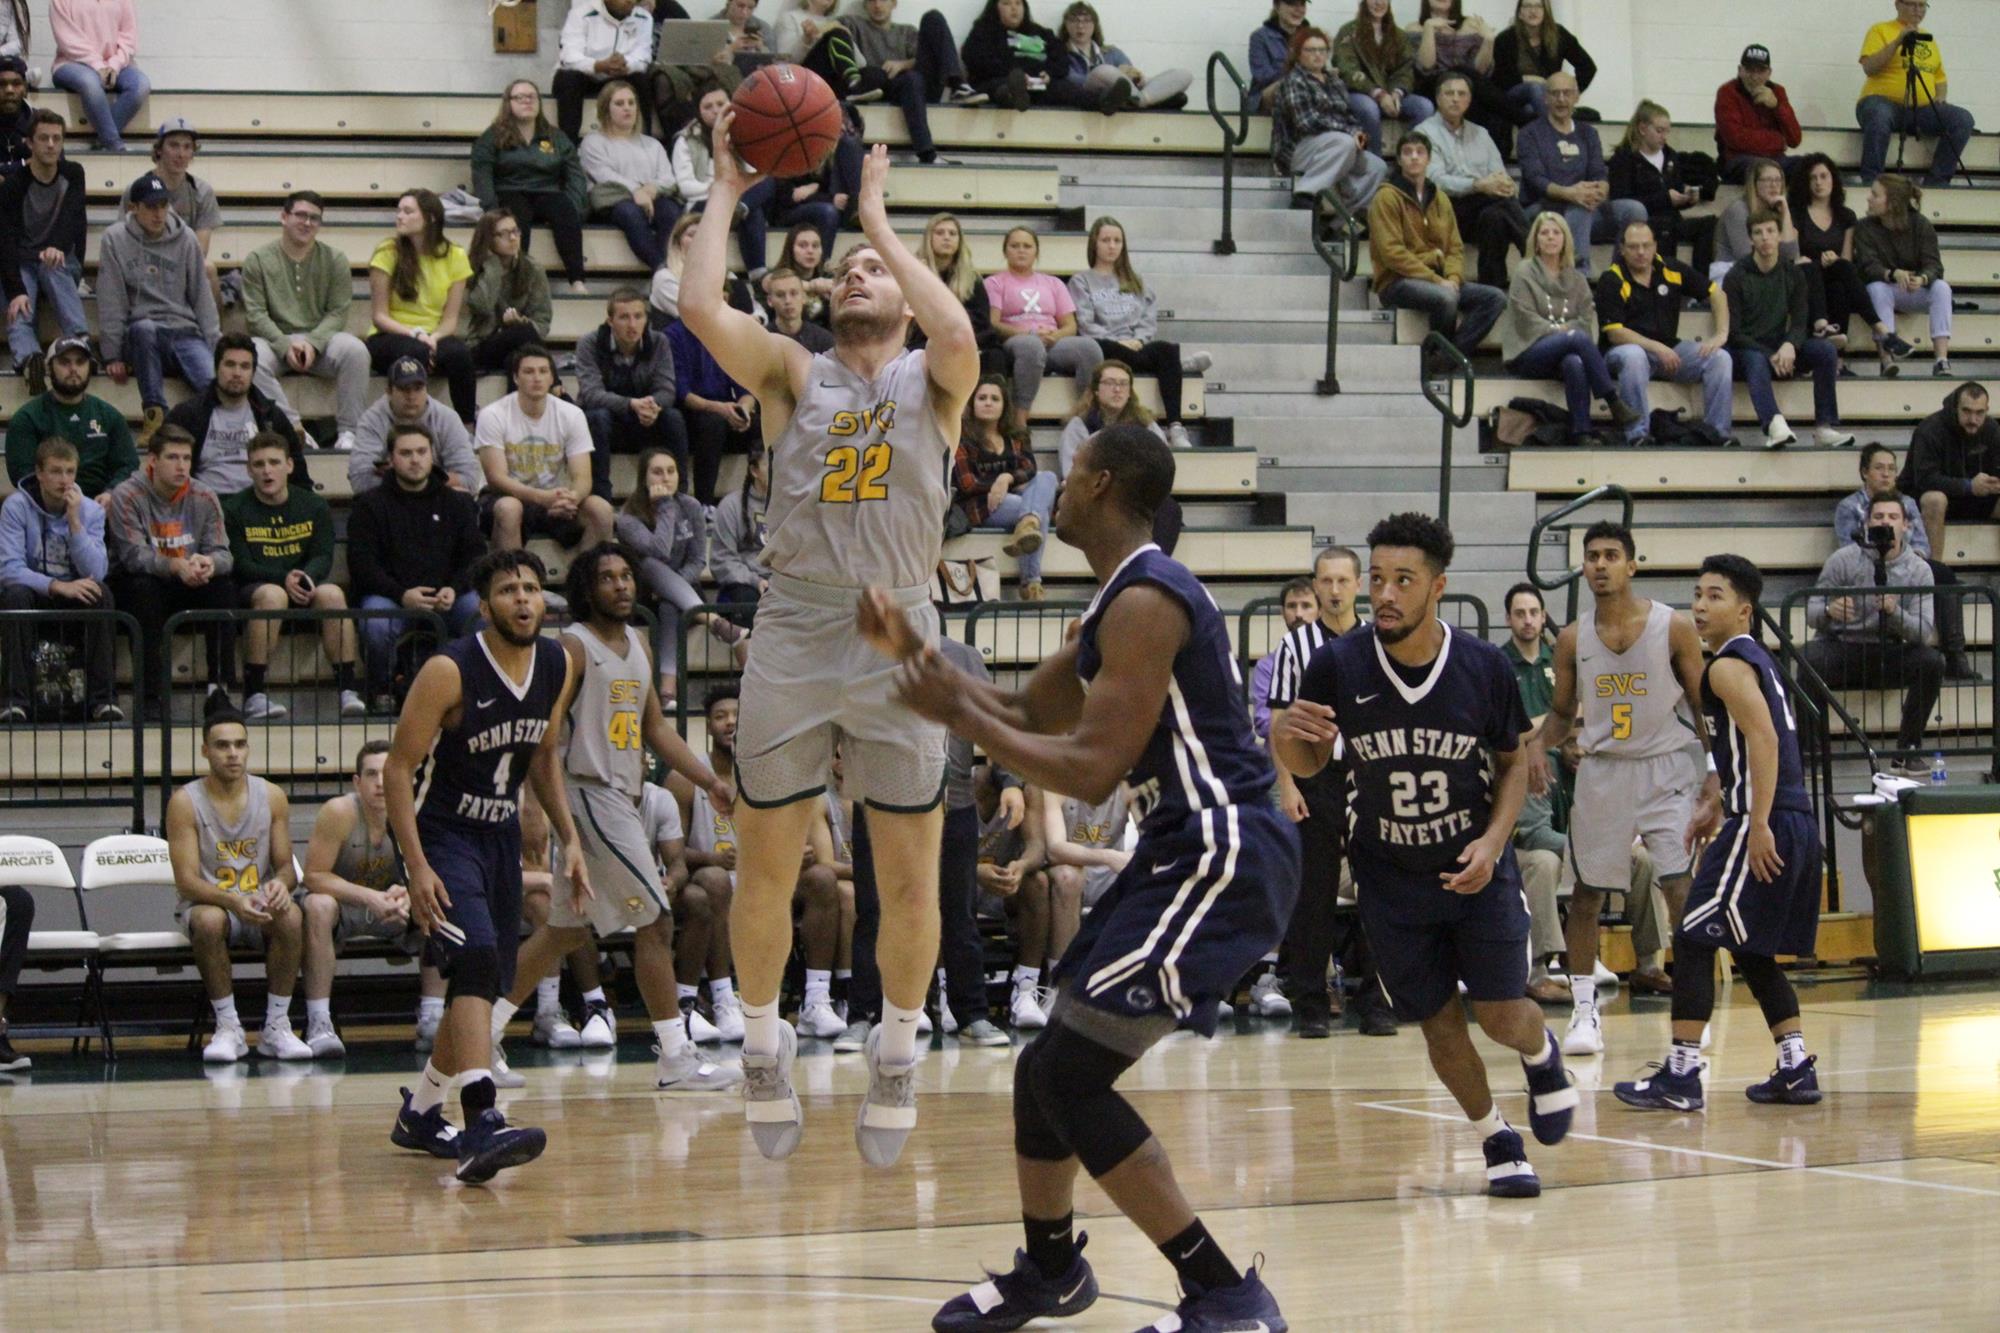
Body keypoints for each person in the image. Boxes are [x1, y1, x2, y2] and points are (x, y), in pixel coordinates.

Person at [888, 425, 1297, 1331]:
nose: (1053, 489)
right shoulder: (1116, 602)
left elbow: (1089, 769)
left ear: (1103, 482)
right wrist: (926, 671)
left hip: (1221, 849)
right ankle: (1051, 1270)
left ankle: (1228, 1293)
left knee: (1072, 1076)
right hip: (1181, 847)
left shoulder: (1150, 600)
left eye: (1066, 475)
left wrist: (959, 711)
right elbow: (1029, 708)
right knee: (1044, 1069)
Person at [680, 126, 980, 1166]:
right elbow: (697, 308)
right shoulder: (791, 373)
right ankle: (763, 1044)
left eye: (872, 272)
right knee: (766, 866)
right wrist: (724, 188)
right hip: (799, 622)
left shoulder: (935, 378)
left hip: (897, 622)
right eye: (846, 270)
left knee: (907, 874)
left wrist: (877, 223)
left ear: (900, 291)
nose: (856, 276)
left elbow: (950, 326)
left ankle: (895, 1046)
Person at [1277, 511, 1577, 1198]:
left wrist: (1495, 840)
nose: (1384, 593)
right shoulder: (1337, 663)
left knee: (1502, 1013)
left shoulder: (1481, 667)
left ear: (1437, 587)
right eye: (1376, 578)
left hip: (1475, 868)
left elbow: (1512, 763)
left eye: (1401, 580)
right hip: (1389, 876)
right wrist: (1287, 737)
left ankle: (1540, 1051)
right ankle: (1496, 1137)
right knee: (1438, 1023)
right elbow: (1306, 755)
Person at [485, 544, 744, 1091]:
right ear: (587, 588)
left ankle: (480, 1036)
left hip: (623, 795)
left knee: (562, 933)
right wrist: (540, 810)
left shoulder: (638, 645)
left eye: (628, 576)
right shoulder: (572, 648)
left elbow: (656, 729)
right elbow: (544, 737)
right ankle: (675, 1055)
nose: (623, 586)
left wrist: (709, 781)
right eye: (608, 578)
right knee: (655, 919)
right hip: (588, 793)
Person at [384, 549, 586, 1184]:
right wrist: (415, 866)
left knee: (484, 984)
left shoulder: (559, 662)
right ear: (484, 605)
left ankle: (420, 1113)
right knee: (471, 959)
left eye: (531, 588)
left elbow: (546, 754)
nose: (523, 599)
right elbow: (396, 769)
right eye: (508, 590)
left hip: (498, 835)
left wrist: (568, 836)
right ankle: (481, 1119)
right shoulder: (450, 670)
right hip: (442, 835)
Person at [1615, 554, 1826, 1112]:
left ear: (1744, 609)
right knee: (1751, 947)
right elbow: (1749, 743)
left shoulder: (1728, 666)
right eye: (1697, 594)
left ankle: (1682, 1075)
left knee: (1691, 937)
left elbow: (1764, 740)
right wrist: (1721, 801)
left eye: (1715, 596)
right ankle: (1795, 1064)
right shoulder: (1756, 662)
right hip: (1790, 816)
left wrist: (1754, 821)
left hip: (1771, 818)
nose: (1701, 605)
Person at [1525, 522, 1716, 1058]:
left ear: (1632, 565)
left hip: (1667, 767)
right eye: (1591, 556)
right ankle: (1585, 1012)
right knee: (1587, 892)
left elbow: (1703, 705)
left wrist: (1716, 770)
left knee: (1678, 884)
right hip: (1605, 770)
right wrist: (1540, 745)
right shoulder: (1571, 637)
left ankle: (1693, 1007)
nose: (1600, 564)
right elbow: (1563, 713)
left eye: (1611, 555)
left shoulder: (1672, 626)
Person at [1265, 543, 1397, 1039]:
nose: (1335, 590)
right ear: (1314, 585)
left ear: (1359, 584)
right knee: (1313, 892)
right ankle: (1311, 1002)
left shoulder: (1380, 641)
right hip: (1314, 777)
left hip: (1371, 776)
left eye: (1344, 581)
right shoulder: (1294, 646)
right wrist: (1286, 784)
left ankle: (1378, 999)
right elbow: (1278, 722)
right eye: (1326, 581)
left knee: (1378, 887)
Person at [164, 710, 310, 1067]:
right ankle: (228, 1027)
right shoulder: (185, 802)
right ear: (205, 751)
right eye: (223, 745)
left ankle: (276, 1026)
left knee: (291, 915)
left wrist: (279, 884)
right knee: (211, 921)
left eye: (240, 745)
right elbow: (186, 881)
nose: (233, 753)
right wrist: (233, 900)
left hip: (258, 903)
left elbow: (285, 866)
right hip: (210, 902)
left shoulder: (272, 795)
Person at [301, 741, 446, 1056]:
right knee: (317, 905)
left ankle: (433, 1015)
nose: (380, 783)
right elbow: (314, 876)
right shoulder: (339, 812)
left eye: (386, 774)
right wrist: (369, 897)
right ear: (357, 782)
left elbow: (433, 871)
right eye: (371, 774)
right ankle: (319, 1021)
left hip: (397, 910)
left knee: (440, 898)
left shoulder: (419, 812)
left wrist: (408, 895)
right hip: (345, 909)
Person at [347, 422, 488, 713]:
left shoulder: (458, 503)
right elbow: (362, 565)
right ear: (391, 460)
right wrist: (402, 594)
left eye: (421, 452)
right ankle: (382, 691)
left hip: (450, 595)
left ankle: (476, 691)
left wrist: (455, 588)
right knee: (376, 624)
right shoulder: (369, 505)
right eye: (406, 453)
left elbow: (475, 556)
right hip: (392, 596)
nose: (415, 459)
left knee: (479, 613)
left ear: (433, 455)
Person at [221, 433, 361, 721]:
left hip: (303, 585)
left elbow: (323, 555)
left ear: (289, 466)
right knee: (273, 595)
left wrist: (306, 578)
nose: (267, 470)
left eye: (274, 462)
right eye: (258, 464)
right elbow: (241, 563)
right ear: (249, 470)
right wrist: (284, 578)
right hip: (257, 588)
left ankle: (348, 689)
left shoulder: (313, 506)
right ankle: (254, 694)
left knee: (332, 594)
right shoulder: (234, 509)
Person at [103, 426, 237, 720]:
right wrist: (176, 565)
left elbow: (224, 552)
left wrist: (209, 564)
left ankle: (219, 691)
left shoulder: (204, 495)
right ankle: (151, 695)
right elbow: (133, 556)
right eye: (173, 457)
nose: (181, 466)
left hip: (189, 577)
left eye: (187, 458)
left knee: (223, 587)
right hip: (142, 582)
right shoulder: (128, 495)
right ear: (152, 460)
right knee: (142, 588)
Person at [1805, 493, 1941, 772]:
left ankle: (1908, 750)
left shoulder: (1919, 569)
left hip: (1891, 648)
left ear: (1906, 526)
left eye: (1893, 517)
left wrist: (1895, 613)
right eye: (1878, 517)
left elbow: (1923, 631)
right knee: (1808, 659)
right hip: (1845, 646)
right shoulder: (1842, 560)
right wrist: (1830, 611)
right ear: (1866, 523)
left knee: (1932, 661)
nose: (1885, 523)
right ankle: (1811, 750)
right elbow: (1811, 612)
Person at [0, 437, 120, 724]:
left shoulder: (90, 510)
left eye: (70, 472)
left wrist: (75, 522)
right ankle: (15, 702)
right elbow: (8, 568)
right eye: (55, 471)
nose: (64, 480)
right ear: (39, 473)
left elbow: (97, 570)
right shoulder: (16, 507)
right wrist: (57, 585)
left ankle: (103, 701)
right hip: (34, 591)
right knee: (14, 596)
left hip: (75, 592)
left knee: (101, 593)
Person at [242, 191, 369, 453]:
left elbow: (337, 312)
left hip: (321, 339)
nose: (307, 223)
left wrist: (312, 343)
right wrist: (283, 345)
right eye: (300, 215)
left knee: (356, 351)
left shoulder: (335, 260)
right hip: (274, 340)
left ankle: (349, 432)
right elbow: (255, 315)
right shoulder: (258, 259)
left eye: (315, 218)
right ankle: (292, 429)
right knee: (249, 357)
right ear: (283, 217)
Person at [1067, 216, 1210, 448]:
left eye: (1117, 240)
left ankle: (1175, 427)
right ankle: (1177, 367)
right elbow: (1085, 323)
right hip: (1108, 346)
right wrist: (1120, 342)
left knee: (1166, 348)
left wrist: (1138, 339)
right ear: (1094, 243)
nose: (1112, 246)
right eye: (1106, 240)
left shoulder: (1135, 281)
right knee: (1101, 346)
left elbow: (1147, 319)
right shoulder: (1081, 281)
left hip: (1136, 346)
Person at [1501, 211, 1640, 443]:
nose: (1550, 237)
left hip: (1563, 351)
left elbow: (1585, 319)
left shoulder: (1577, 278)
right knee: (1575, 338)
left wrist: (1565, 331)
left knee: (1574, 362)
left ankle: (1581, 432)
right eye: (1544, 233)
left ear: (1565, 239)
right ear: (1535, 240)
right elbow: (1525, 318)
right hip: (1528, 351)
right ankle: (1612, 400)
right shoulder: (1524, 271)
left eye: (1556, 233)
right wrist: (1560, 330)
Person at [99, 172, 219, 439]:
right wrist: (112, 354)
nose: (158, 213)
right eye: (151, 207)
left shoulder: (186, 238)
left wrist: (215, 347)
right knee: (143, 328)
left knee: (215, 387)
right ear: (134, 208)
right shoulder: (114, 238)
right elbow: (111, 297)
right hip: (142, 336)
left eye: (163, 205)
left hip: (184, 330)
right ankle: (155, 416)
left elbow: (201, 295)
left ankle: (215, 433)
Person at [1723, 208, 1855, 450]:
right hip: (1745, 352)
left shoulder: (1792, 273)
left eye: (1770, 231)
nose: (1765, 237)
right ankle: (1774, 425)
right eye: (1758, 233)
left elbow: (1800, 319)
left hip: (1780, 349)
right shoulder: (1735, 276)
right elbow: (1734, 332)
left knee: (1825, 350)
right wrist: (1772, 354)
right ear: (1751, 238)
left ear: (1779, 236)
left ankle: (1824, 427)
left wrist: (1789, 345)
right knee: (1754, 359)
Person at [1369, 131, 1507, 359]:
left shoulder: (1441, 198)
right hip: (1397, 281)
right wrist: (1436, 279)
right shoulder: (1386, 197)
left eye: (1420, 152)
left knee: (1495, 298)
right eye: (1407, 152)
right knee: (1446, 297)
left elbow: (1455, 247)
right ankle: (1442, 356)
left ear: (1429, 159)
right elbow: (1391, 253)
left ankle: (1445, 357)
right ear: (1399, 160)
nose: (1414, 157)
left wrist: (1452, 277)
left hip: (1441, 278)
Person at [1599, 220, 1735, 446]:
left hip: (1668, 350)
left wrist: (1722, 334)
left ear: (1655, 246)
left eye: (1646, 245)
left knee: (1720, 358)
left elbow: (1717, 294)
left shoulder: (1672, 269)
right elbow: (1615, 333)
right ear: (1622, 249)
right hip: (1621, 352)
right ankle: (1637, 434)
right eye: (1633, 247)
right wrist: (1657, 347)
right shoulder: (1611, 279)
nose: (1641, 252)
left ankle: (1717, 433)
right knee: (1633, 356)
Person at [616, 449, 734, 703]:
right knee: (649, 563)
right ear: (643, 477)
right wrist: (665, 506)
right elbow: (659, 551)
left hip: (684, 589)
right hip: (645, 593)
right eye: (657, 472)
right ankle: (714, 621)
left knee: (670, 604)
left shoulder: (691, 506)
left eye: (671, 471)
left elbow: (698, 560)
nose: (665, 478)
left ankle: (667, 691)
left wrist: (673, 584)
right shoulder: (628, 517)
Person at [1846, 439, 1970, 679]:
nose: (1886, 474)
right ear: (1864, 472)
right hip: (1868, 562)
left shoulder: (1909, 503)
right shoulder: (1849, 507)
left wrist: (1906, 562)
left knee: (1943, 573)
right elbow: (1848, 547)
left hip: (1908, 563)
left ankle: (1955, 653)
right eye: (1879, 468)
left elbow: (1922, 545)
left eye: (1892, 469)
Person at [666, 686, 749, 1044]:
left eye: (737, 715)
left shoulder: (761, 776)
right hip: (701, 877)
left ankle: (820, 997)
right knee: (716, 882)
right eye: (720, 716)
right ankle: (722, 996)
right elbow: (672, 852)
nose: (730, 722)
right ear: (708, 727)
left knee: (821, 880)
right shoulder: (685, 779)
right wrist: (712, 858)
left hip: (754, 879)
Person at [802, 0, 980, 165]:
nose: (877, 5)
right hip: (874, 86)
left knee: (932, 20)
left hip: (912, 88)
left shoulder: (907, 31)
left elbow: (926, 59)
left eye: (883, 0)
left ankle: (959, 85)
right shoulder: (855, 24)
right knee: (881, 74)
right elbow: (833, 30)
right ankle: (928, 154)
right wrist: (813, 33)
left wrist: (904, 64)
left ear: (894, 3)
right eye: (872, 0)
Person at [476, 344, 613, 554]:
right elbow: (496, 478)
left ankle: (585, 582)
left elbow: (583, 477)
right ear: (515, 378)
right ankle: (512, 581)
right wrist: (541, 498)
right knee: (510, 508)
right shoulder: (493, 414)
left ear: (552, 378)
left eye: (543, 371)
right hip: (505, 496)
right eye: (528, 372)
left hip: (554, 498)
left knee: (601, 510)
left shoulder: (572, 414)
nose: (537, 378)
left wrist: (572, 499)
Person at [366, 189, 479, 426]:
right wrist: (415, 334)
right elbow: (379, 316)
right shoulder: (387, 251)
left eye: (408, 211)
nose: (400, 217)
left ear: (430, 218)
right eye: (399, 211)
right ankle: (410, 424)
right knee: (415, 353)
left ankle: (467, 426)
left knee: (460, 355)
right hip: (390, 334)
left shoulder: (455, 255)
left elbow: (450, 320)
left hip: (433, 335)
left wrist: (433, 337)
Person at [1517, 72, 1642, 276]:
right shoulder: (1530, 133)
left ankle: (1619, 276)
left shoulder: (1588, 133)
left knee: (1634, 210)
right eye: (1555, 94)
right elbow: (1535, 179)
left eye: (1567, 93)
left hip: (1586, 210)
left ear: (1576, 97)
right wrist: (1570, 194)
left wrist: (1602, 188)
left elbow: (1599, 172)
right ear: (1545, 98)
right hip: (1543, 212)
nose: (1561, 99)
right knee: (1580, 207)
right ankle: (1577, 276)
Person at [473, 81, 589, 293]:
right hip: (510, 190)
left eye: (532, 97)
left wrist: (574, 204)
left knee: (566, 212)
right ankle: (518, 281)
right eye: (519, 97)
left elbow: (575, 174)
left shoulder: (556, 136)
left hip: (548, 191)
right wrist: (491, 208)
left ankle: (577, 281)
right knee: (516, 218)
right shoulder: (492, 136)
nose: (527, 101)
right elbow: (482, 174)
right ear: (508, 103)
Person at [985, 226, 1103, 435]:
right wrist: (1028, 335)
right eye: (1015, 246)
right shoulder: (994, 283)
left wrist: (1054, 336)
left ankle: (1086, 416)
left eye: (1027, 246)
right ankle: (1020, 420)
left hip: (1051, 341)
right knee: (1031, 346)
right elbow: (993, 323)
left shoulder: (1054, 283)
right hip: (1017, 341)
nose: (1021, 250)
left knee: (1089, 348)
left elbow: (1070, 325)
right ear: (1005, 251)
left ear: (1036, 252)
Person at [1415, 71, 1526, 290]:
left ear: (1469, 100)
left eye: (1461, 94)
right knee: (1500, 205)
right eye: (1449, 93)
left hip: (1482, 210)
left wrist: (1505, 185)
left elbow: (1499, 173)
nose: (1455, 98)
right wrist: (1477, 185)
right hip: (1445, 211)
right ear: (1438, 99)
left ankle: (1492, 288)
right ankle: (1537, 256)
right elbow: (1434, 181)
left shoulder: (1481, 134)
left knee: (1495, 216)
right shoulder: (1424, 133)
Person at [0, 109, 88, 386]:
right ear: (30, 143)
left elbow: (73, 217)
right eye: (44, 138)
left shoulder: (73, 173)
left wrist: (56, 246)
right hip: (23, 260)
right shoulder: (14, 184)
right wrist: (15, 290)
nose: (51, 144)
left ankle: (81, 342)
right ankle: (29, 360)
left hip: (60, 258)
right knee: (19, 305)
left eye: (57, 139)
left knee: (53, 268)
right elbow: (6, 239)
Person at [969, 766, 1059, 1030]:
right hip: (961, 882)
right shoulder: (956, 788)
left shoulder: (1028, 789)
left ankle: (1026, 989)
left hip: (1003, 885)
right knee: (936, 884)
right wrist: (974, 871)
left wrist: (1020, 866)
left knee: (1038, 882)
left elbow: (1037, 847)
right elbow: (935, 856)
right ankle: (945, 987)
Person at [954, 374, 1057, 600]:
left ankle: (1027, 524)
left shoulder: (1015, 436)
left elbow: (1030, 467)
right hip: (980, 505)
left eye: (994, 398)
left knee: (1047, 477)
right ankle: (1031, 581)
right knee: (1034, 510)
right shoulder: (961, 435)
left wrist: (1006, 478)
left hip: (1012, 497)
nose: (988, 402)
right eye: (982, 398)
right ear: (972, 404)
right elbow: (966, 483)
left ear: (1004, 405)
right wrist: (996, 485)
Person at [579, 286, 690, 493]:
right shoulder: (590, 343)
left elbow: (666, 390)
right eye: (624, 317)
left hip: (646, 418)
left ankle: (681, 493)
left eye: (638, 316)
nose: (632, 325)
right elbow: (591, 394)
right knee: (596, 417)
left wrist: (652, 406)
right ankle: (601, 494)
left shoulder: (659, 341)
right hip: (609, 421)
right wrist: (631, 404)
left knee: (673, 417)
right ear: (610, 321)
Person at [1271, 26, 1390, 218]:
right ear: (1298, 54)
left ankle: (1343, 222)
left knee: (1378, 166)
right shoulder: (1293, 80)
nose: (1317, 55)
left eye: (1322, 50)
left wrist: (1358, 133)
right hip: (1297, 148)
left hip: (1336, 146)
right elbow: (1307, 122)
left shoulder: (1335, 82)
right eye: (1310, 50)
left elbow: (1349, 117)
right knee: (1344, 141)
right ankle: (1305, 194)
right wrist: (1349, 133)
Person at [165, 333, 304, 499]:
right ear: (216, 368)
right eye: (230, 365)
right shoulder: (187, 415)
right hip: (206, 505)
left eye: (245, 366)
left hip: (259, 506)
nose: (237, 373)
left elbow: (299, 473)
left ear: (253, 372)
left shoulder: (271, 416)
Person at [1857, 0, 1975, 188]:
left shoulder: (1928, 38)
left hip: (1921, 110)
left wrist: (1941, 97)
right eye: (1912, 4)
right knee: (1879, 115)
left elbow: (1939, 77)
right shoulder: (1879, 30)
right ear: (1897, 5)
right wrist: (1898, 41)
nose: (1917, 10)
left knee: (1963, 119)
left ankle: (1937, 182)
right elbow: (1870, 68)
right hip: (1883, 103)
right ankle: (1871, 182)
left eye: (1922, 6)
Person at [3, 334, 138, 499]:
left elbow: (128, 465)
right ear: (49, 367)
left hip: (100, 506)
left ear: (90, 367)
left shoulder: (110, 416)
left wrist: (111, 493)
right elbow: (22, 475)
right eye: (65, 362)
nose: (73, 369)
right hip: (46, 508)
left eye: (80, 362)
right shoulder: (27, 417)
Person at [665, 295, 760, 506]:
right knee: (712, 423)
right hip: (691, 412)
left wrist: (743, 409)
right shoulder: (673, 335)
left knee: (764, 424)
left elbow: (746, 387)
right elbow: (681, 392)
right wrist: (720, 409)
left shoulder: (730, 334)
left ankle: (764, 499)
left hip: (726, 409)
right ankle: (704, 504)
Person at [1855, 175, 1952, 378]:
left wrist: (1923, 278)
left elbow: (1934, 265)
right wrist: (1891, 274)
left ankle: (1942, 360)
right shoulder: (1864, 227)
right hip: (1887, 288)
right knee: (1876, 288)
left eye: (1875, 194)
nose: (1868, 198)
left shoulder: (1920, 224)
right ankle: (1886, 359)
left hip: (1914, 289)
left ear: (1892, 203)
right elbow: (1867, 265)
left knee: (1942, 288)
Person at [348, 357, 485, 497]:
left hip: (436, 498)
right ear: (389, 391)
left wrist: (417, 479)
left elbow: (470, 479)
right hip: (391, 500)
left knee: (461, 496)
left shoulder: (447, 418)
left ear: (426, 389)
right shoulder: (372, 420)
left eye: (418, 388)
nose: (411, 396)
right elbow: (360, 480)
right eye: (404, 389)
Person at [581, 80, 680, 269]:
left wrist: (652, 189)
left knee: (671, 211)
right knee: (630, 212)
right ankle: (661, 268)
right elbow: (604, 175)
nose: (627, 108)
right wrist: (636, 190)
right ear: (606, 109)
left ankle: (668, 269)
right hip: (613, 202)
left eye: (631, 102)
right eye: (619, 104)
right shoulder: (593, 142)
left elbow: (668, 178)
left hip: (652, 199)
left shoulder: (652, 144)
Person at [1608, 101, 1714, 274]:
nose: (1664, 136)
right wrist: (1665, 199)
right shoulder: (1624, 159)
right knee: (1664, 228)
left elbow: (1676, 191)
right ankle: (1663, 283)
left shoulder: (1670, 156)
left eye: (1667, 131)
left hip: (1672, 217)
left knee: (1709, 224)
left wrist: (1687, 199)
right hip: (1646, 221)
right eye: (1659, 131)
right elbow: (1622, 200)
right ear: (1642, 129)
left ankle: (1700, 283)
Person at [1900, 380, 2000, 559]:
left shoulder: (1992, 429)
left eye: (1979, 413)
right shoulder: (1930, 430)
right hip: (1928, 500)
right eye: (1966, 411)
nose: (1973, 419)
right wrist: (1969, 486)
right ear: (1955, 407)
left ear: (1987, 410)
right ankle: (1934, 575)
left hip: (1973, 498)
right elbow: (1925, 479)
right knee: (1935, 500)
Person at [960, 0, 1114, 113]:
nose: (1014, 9)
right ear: (995, 8)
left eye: (1018, 4)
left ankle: (1106, 101)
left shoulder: (1041, 32)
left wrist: (1049, 73)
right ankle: (1011, 96)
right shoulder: (983, 30)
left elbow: (1061, 59)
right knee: (1003, 86)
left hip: (1039, 84)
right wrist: (1015, 73)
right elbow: (974, 58)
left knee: (1066, 89)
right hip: (1002, 79)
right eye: (1007, 3)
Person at [463, 210, 554, 386]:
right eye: (503, 234)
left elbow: (542, 322)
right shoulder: (472, 268)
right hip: (480, 346)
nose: (513, 238)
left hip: (518, 344)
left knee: (518, 359)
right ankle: (556, 385)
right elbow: (482, 306)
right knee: (522, 335)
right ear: (488, 239)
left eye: (515, 231)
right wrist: (493, 267)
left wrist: (521, 322)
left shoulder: (533, 269)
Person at [1790, 154, 1873, 349]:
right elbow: (1795, 256)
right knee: (1811, 270)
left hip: (1833, 273)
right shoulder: (1797, 214)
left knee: (1839, 286)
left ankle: (1835, 350)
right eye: (1813, 178)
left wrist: (1835, 259)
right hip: (1805, 276)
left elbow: (1846, 260)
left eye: (1824, 176)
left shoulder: (1846, 215)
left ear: (1833, 179)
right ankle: (1878, 328)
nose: (1819, 182)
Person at [1409, 0, 1509, 155]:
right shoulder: (1415, 28)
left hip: (1468, 87)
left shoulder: (1472, 25)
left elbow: (1481, 72)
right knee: (1459, 72)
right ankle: (1517, 114)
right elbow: (1426, 67)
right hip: (1431, 86)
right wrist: (1428, 29)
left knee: (1483, 105)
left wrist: (1488, 40)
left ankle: (1493, 165)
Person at [1330, 0, 1432, 151]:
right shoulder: (1348, 32)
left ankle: (1408, 161)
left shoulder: (1399, 35)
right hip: (1359, 93)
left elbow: (1405, 70)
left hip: (1392, 95)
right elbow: (1348, 69)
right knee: (1369, 109)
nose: (1378, 2)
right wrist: (1379, 94)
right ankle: (1375, 165)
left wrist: (1397, 93)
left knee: (1425, 107)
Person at [48, 0, 147, 153]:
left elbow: (129, 37)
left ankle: (101, 141)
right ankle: (114, 145)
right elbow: (68, 40)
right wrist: (98, 65)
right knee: (91, 84)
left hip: (118, 64)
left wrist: (114, 64)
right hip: (72, 63)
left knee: (141, 85)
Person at [914, 212, 1007, 375]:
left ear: (959, 240)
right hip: (926, 340)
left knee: (995, 355)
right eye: (940, 233)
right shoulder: (915, 273)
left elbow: (982, 321)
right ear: (929, 238)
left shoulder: (972, 278)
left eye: (952, 233)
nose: (946, 237)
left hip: (967, 340)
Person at [1058, 2, 1190, 112]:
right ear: (1066, 25)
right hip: (1092, 93)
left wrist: (1138, 78)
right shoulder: (1060, 52)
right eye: (1074, 20)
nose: (1080, 26)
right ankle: (1140, 101)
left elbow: (1130, 73)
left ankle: (1138, 101)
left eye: (1086, 21)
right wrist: (1112, 79)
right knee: (1103, 71)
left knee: (1183, 74)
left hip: (1125, 93)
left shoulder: (1112, 51)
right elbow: (1071, 80)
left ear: (1094, 25)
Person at [553, 0, 655, 139]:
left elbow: (643, 56)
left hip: (621, 74)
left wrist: (627, 64)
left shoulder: (644, 17)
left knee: (642, 79)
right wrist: (598, 66)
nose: (631, 1)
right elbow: (569, 56)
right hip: (586, 76)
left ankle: (645, 139)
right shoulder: (581, 14)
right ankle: (568, 145)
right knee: (569, 78)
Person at [1057, 359, 1164, 479]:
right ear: (1096, 390)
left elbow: (1162, 462)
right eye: (1109, 383)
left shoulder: (1144, 423)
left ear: (1129, 392)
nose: (1117, 390)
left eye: (1123, 384)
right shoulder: (1080, 424)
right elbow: (1070, 473)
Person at [1492, 0, 1593, 127]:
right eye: (1528, 6)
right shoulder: (1505, 39)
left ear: (1546, 11)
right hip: (1513, 95)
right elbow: (1498, 79)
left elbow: (1587, 67)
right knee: (1534, 87)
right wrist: (1527, 79)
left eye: (1538, 6)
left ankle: (1543, 140)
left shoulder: (1559, 34)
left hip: (1543, 97)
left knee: (1530, 110)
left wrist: (1572, 92)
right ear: (1519, 12)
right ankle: (1556, 132)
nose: (1533, 11)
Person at [1714, 43, 1802, 182]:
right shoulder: (1727, 92)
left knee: (1812, 165)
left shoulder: (1778, 92)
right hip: (1739, 160)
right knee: (1761, 168)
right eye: (1749, 70)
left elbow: (1795, 139)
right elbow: (1736, 139)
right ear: (1740, 70)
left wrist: (1777, 106)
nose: (1755, 76)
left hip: (1776, 160)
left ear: (1769, 73)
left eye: (1760, 71)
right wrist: (1778, 140)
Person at [1711, 157, 1797, 289]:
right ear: (1754, 183)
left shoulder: (1777, 211)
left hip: (1767, 272)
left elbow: (1791, 254)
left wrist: (1785, 213)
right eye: (1767, 180)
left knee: (1806, 272)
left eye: (1778, 180)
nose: (1774, 185)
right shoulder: (1738, 210)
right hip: (1733, 275)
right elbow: (1746, 257)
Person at [1252, 577, 1319, 743]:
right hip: (1282, 754)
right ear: (1282, 612)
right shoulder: (1266, 666)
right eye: (1291, 606)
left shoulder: (1333, 657)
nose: (1298, 614)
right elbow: (1264, 723)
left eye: (1306, 606)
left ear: (1320, 610)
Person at [709, 440, 770, 618]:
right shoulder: (731, 506)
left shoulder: (791, 505)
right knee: (750, 603)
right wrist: (755, 580)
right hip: (745, 584)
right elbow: (722, 560)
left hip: (782, 582)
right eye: (770, 464)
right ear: (754, 471)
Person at [1248, 0, 1310, 110]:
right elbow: (1263, 77)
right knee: (1287, 85)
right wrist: (1294, 70)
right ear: (1276, 6)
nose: (1299, 9)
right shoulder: (1260, 37)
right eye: (1291, 4)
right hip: (1268, 95)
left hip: (1306, 88)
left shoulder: (1311, 37)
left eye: (1302, 4)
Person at [766, 268, 835, 353]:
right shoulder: (762, 339)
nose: (788, 300)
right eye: (780, 295)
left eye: (794, 293)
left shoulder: (824, 340)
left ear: (804, 297)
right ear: (770, 301)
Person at [0, 54, 31, 178]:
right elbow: (33, 166)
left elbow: (53, 166)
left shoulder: (40, 123)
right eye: (1, 84)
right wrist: (24, 164)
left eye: (16, 83)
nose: (9, 90)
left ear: (25, 88)